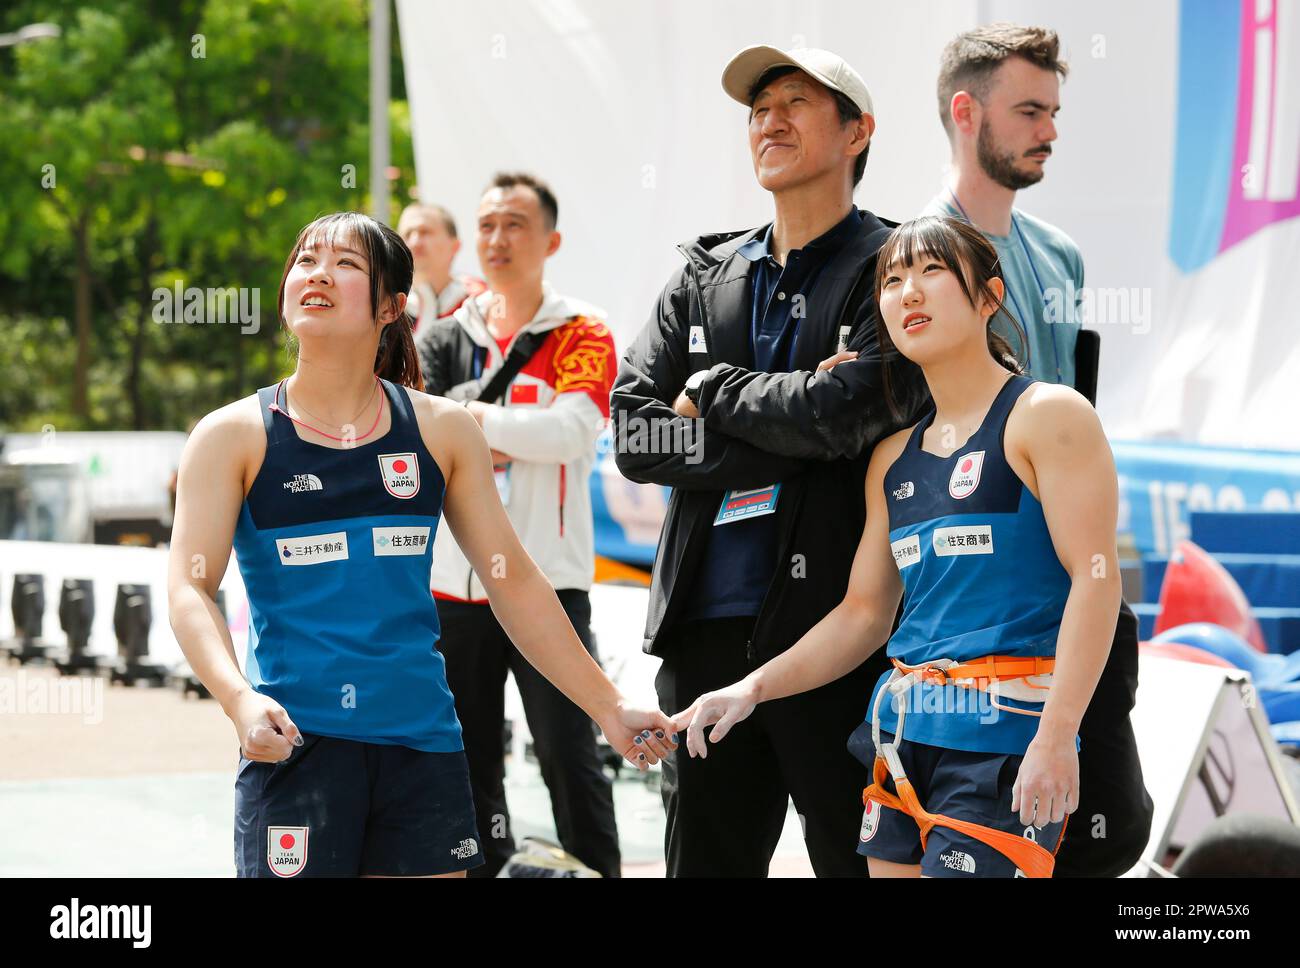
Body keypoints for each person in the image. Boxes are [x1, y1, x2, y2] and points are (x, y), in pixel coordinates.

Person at [166, 211, 674, 879]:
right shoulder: (232, 435)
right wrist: (237, 698)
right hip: (297, 748)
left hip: (423, 750)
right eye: (306, 259)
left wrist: (608, 706)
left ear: (390, 307)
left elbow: (513, 580)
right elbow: (190, 586)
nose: (317, 273)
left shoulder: (442, 430)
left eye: (346, 263)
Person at [673, 215, 1120, 878]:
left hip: (1004, 743)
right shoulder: (891, 459)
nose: (908, 291)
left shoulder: (1048, 416)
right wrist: (751, 688)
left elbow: (1098, 579)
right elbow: (863, 614)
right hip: (903, 742)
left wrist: (1056, 736)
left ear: (989, 296)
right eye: (892, 278)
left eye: (931, 271)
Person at [612, 45, 929, 877]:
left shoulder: (898, 266)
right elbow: (637, 438)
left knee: (861, 864)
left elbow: (849, 412)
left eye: (795, 102)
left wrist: (712, 388)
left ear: (857, 131)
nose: (770, 121)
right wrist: (796, 427)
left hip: (843, 635)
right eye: (758, 109)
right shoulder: (703, 271)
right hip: (706, 635)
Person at [924, 23, 1153, 876]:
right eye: (1028, 110)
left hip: (1081, 581)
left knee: (1110, 833)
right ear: (964, 111)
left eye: (1054, 111)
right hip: (982, 602)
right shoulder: (911, 255)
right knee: (999, 836)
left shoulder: (1061, 255)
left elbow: (1073, 409)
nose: (1049, 130)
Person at [414, 173, 623, 878]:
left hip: (548, 584)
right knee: (468, 757)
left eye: (515, 225)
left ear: (551, 241)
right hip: (451, 587)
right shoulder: (442, 338)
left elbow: (572, 433)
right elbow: (425, 443)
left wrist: (469, 425)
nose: (497, 240)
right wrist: (501, 434)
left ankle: (599, 871)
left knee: (570, 753)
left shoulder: (582, 331)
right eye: (487, 226)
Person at [397, 202, 486, 333]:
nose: (415, 242)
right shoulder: (388, 308)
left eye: (425, 232)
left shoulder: (480, 300)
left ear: (455, 246)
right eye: (408, 234)